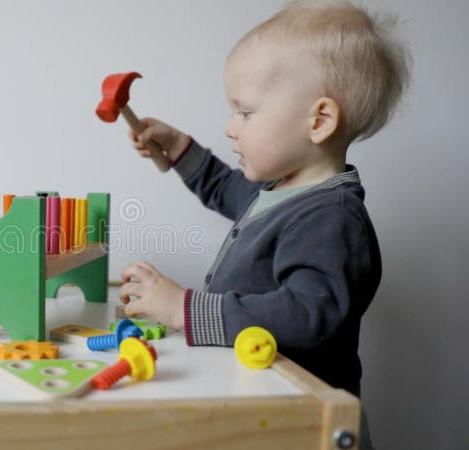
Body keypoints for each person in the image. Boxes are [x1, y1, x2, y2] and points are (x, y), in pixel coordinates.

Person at [119, 2, 410, 446]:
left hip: (302, 424)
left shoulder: (331, 218)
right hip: (266, 410)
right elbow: (222, 187)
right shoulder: (277, 191)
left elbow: (306, 315)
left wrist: (185, 309)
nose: (230, 127)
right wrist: (179, 148)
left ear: (319, 121)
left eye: (246, 112)